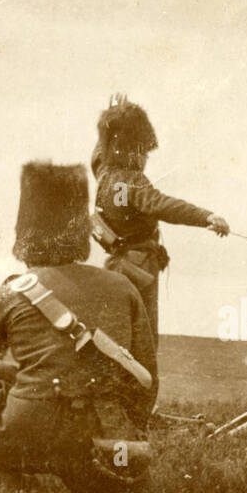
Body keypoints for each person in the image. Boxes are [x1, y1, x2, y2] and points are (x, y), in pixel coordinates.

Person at [0, 161, 156, 493]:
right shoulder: (122, 285)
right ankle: (99, 489)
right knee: (95, 448)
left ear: (25, 230)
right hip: (107, 435)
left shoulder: (8, 292)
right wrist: (129, 429)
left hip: (34, 435)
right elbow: (147, 377)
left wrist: (4, 370)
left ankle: (15, 487)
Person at [90, 94, 229, 348]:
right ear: (134, 151)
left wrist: (114, 120)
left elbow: (99, 155)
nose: (146, 159)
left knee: (117, 332)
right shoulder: (133, 181)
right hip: (140, 267)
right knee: (145, 337)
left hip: (115, 264)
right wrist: (206, 217)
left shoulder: (104, 174)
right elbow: (166, 206)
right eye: (143, 152)